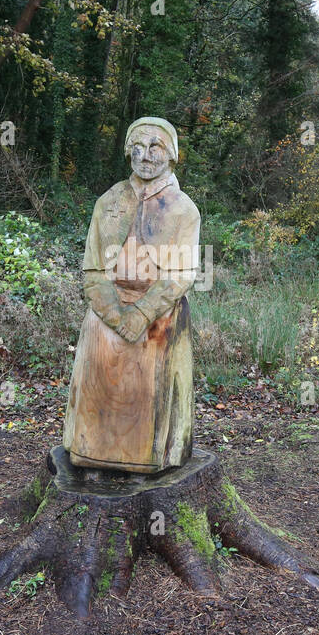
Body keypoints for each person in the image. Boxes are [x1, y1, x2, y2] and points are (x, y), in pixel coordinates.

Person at [62, 117, 201, 473]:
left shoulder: (183, 209)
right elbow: (93, 269)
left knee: (150, 352)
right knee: (98, 335)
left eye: (154, 147)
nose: (144, 155)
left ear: (170, 154)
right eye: (137, 147)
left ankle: (150, 456)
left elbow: (181, 274)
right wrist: (112, 312)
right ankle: (89, 448)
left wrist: (140, 314)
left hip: (159, 312)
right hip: (108, 305)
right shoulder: (108, 201)